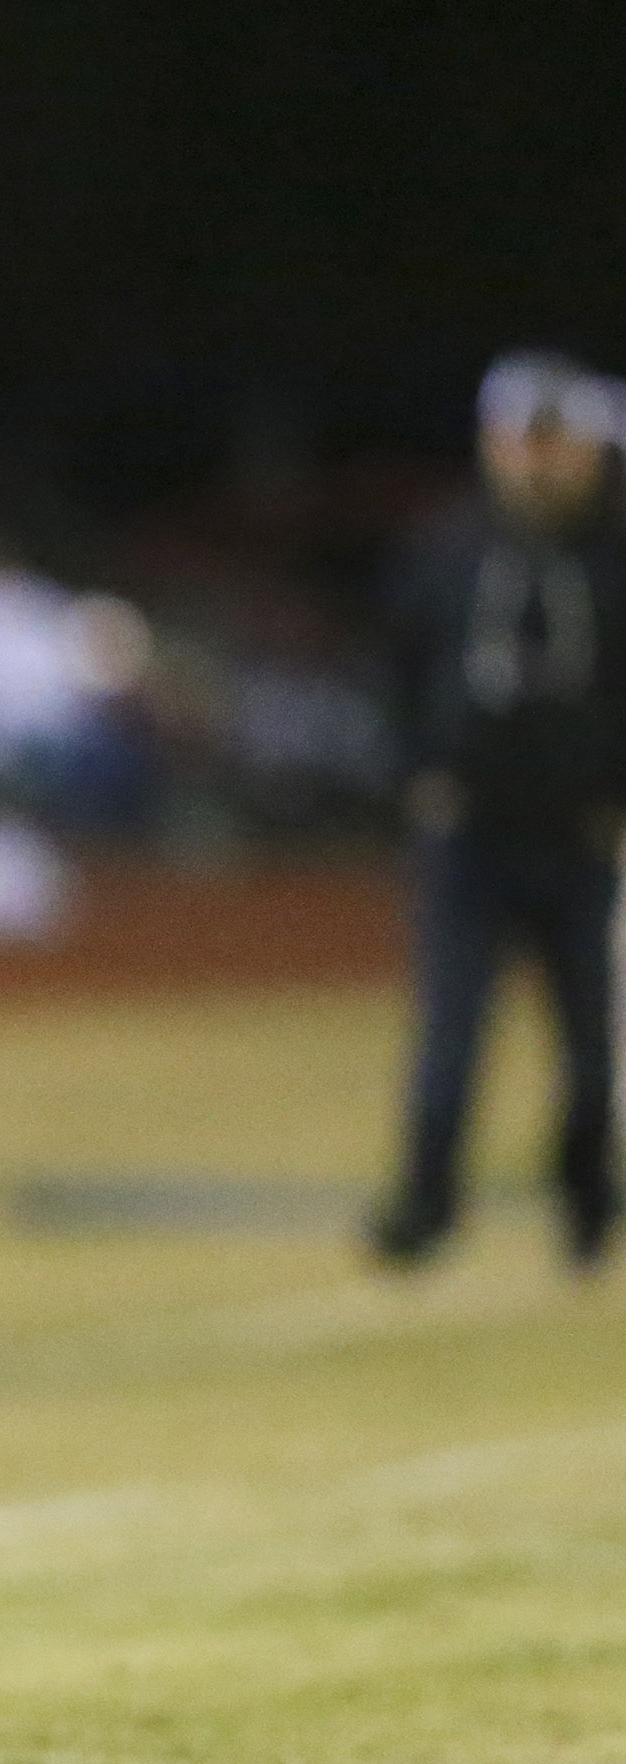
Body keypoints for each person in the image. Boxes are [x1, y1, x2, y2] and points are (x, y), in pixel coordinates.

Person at [370, 352, 626, 1267]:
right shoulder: (447, 549)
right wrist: (415, 778)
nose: (542, 462)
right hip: (469, 835)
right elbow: (397, 674)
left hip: (581, 838)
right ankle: (426, 1204)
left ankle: (589, 1201)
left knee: (593, 1047)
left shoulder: (612, 558)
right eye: (528, 442)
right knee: (450, 1036)